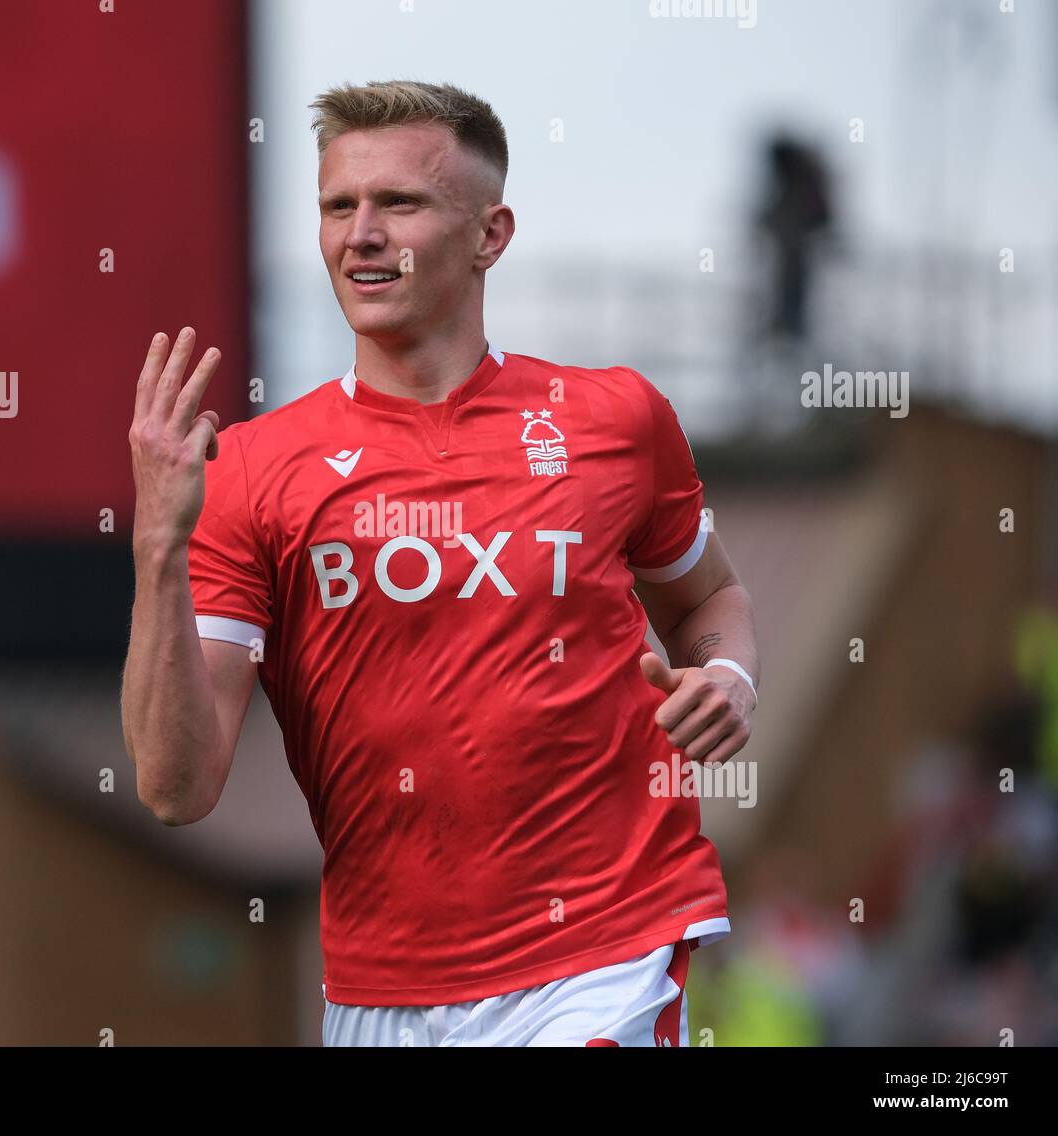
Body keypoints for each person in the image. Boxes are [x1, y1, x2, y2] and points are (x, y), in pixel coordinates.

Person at [121, 80, 759, 1047]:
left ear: (490, 234)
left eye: (400, 204)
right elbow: (176, 789)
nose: (361, 234)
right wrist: (158, 550)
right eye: (339, 206)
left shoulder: (617, 419)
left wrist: (731, 675)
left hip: (604, 949)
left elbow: (708, 597)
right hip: (381, 988)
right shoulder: (253, 472)